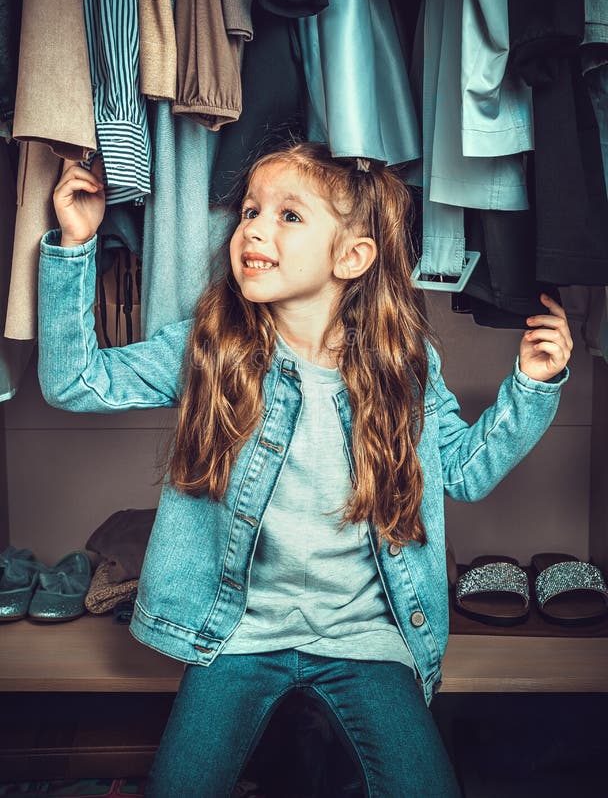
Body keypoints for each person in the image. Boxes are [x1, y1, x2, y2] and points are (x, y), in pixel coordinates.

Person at [38, 142, 572, 797]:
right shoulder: (210, 348)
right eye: (251, 211)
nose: (253, 229)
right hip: (236, 634)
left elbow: (462, 472)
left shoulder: (402, 370)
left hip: (364, 636)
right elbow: (77, 382)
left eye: (289, 216)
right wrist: (73, 244)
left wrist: (532, 388)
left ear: (351, 257)